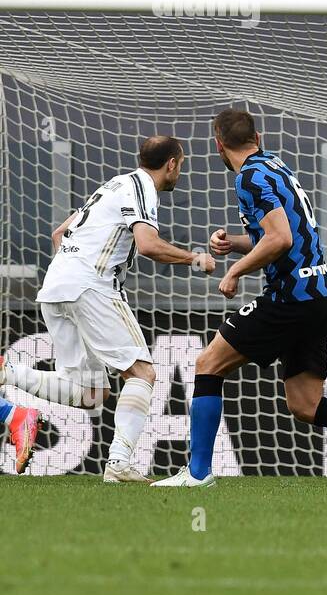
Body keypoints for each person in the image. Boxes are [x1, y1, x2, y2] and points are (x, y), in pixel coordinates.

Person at [153, 110, 327, 487]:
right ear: (257, 138)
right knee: (306, 405)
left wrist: (235, 270)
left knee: (208, 364)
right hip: (318, 293)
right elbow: (287, 232)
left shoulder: (248, 177)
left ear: (218, 145)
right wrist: (237, 244)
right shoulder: (274, 166)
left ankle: (197, 473)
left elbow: (280, 239)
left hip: (291, 295)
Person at [0, 136, 215, 482]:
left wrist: (72, 275)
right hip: (92, 287)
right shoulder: (143, 187)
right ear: (172, 164)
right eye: (181, 165)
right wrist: (195, 258)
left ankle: (8, 373)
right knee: (142, 374)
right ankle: (118, 465)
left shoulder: (112, 185)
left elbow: (60, 233)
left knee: (89, 393)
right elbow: (147, 245)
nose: (179, 173)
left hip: (56, 285)